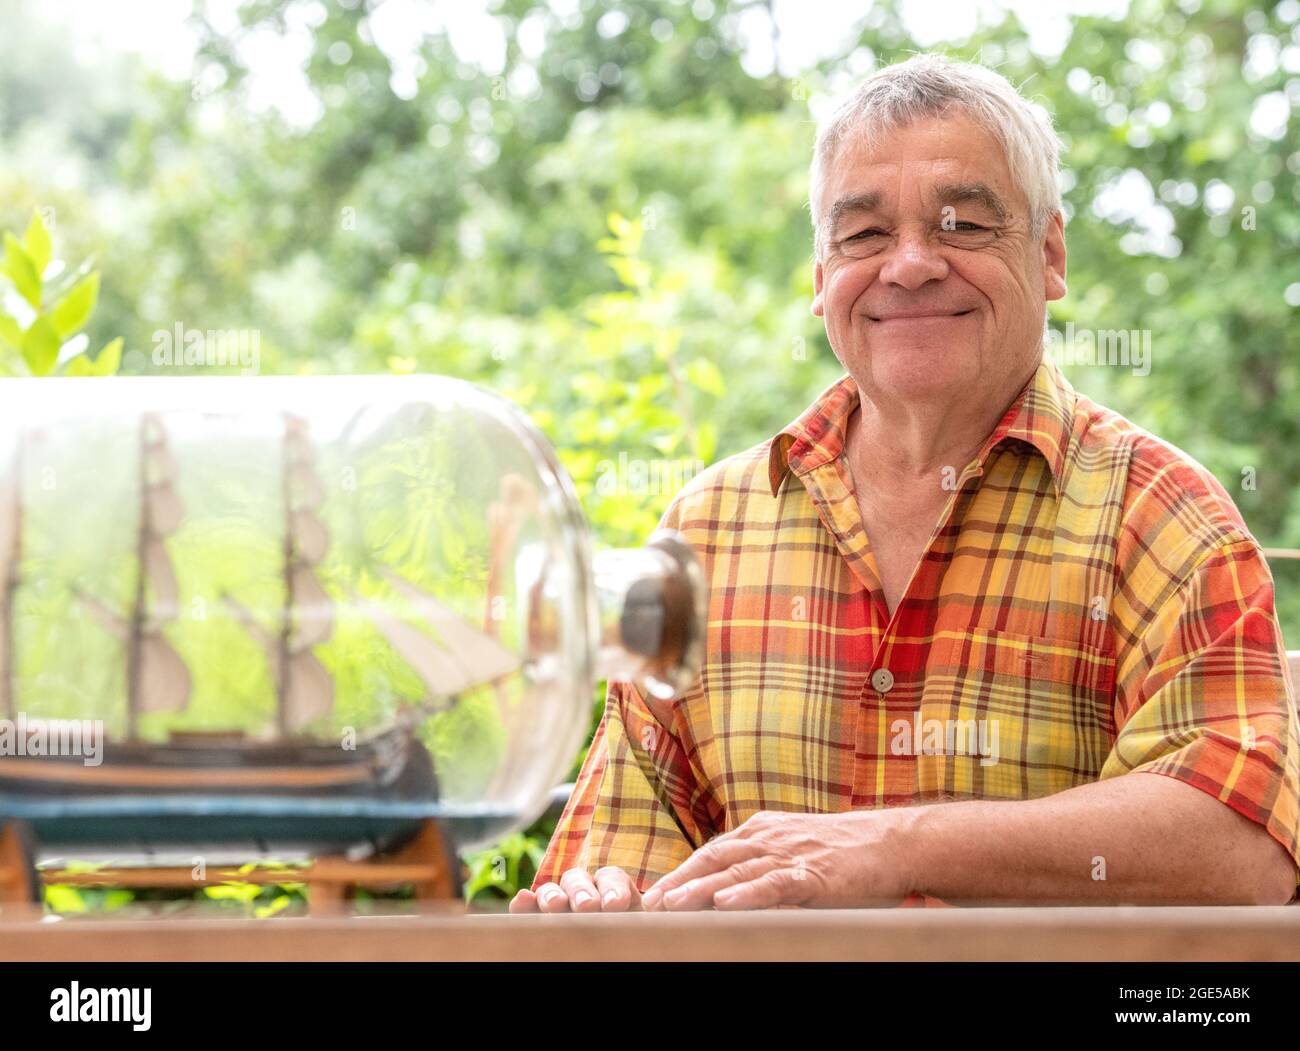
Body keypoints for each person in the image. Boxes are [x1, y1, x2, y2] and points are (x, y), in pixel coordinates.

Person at [511, 53, 1299, 913]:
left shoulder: (1164, 516)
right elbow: (620, 851)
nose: (912, 263)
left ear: (1050, 253)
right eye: (864, 234)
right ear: (821, 280)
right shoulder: (705, 531)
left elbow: (1241, 849)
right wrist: (602, 894)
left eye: (962, 224)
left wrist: (897, 847)